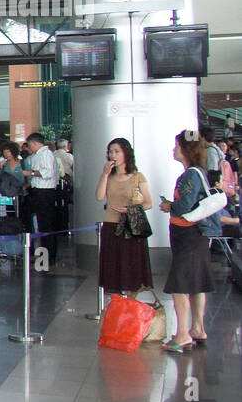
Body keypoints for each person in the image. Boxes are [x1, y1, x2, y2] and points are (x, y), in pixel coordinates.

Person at [160, 130, 223, 352]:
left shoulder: (189, 175)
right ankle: (198, 328)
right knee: (197, 283)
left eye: (176, 146)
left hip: (188, 235)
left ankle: (182, 334)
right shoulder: (200, 172)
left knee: (179, 285)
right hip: (198, 236)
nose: (173, 150)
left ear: (185, 150)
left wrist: (169, 206)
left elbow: (184, 206)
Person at [95, 138, 153, 295]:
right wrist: (105, 174)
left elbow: (148, 203)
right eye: (110, 152)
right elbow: (99, 197)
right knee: (113, 271)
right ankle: (117, 309)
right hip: (111, 225)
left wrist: (130, 210)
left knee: (131, 272)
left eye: (116, 151)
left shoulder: (137, 177)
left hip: (130, 227)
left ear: (126, 153)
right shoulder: (109, 176)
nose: (112, 155)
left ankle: (131, 308)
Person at [22, 132, 60, 266]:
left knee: (46, 225)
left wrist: (31, 173)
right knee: (40, 224)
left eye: (30, 145)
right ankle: (43, 254)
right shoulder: (36, 156)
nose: (29, 148)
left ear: (35, 143)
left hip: (45, 192)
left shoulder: (46, 154)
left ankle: (49, 256)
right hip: (37, 191)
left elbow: (48, 173)